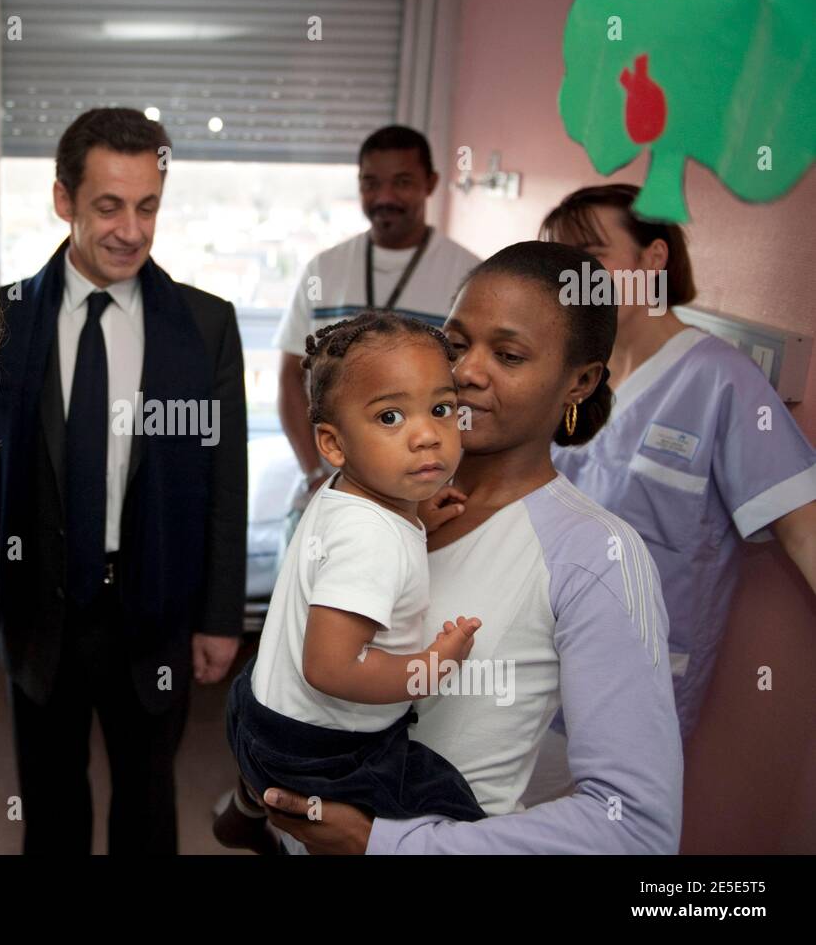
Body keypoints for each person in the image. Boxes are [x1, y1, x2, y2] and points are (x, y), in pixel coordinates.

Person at [259, 242, 683, 854]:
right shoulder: (369, 491)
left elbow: (638, 829)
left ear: (580, 381)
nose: (466, 373)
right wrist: (267, 783)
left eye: (508, 355)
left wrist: (384, 844)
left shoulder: (596, 556)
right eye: (455, 345)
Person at [0, 108, 247, 854]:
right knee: (50, 802)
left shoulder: (204, 326)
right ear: (64, 199)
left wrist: (220, 613)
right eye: (109, 205)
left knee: (148, 800)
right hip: (41, 610)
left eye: (148, 207)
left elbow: (223, 485)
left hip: (154, 612)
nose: (132, 230)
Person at [540, 184, 816, 741]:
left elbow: (804, 529)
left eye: (591, 257)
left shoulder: (720, 380)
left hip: (632, 695)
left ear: (653, 258)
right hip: (533, 667)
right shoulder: (568, 373)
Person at [215, 312, 486, 855]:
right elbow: (331, 667)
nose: (427, 434)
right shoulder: (372, 540)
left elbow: (355, 542)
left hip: (256, 707)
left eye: (441, 408)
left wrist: (416, 518)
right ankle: (273, 806)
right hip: (317, 749)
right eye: (390, 416)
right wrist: (428, 668)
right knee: (452, 808)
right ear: (334, 445)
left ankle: (247, 803)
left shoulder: (346, 491)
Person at [274, 125, 480, 514]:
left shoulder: (469, 276)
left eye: (402, 182)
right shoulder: (324, 269)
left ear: (430, 183)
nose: (384, 197)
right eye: (371, 183)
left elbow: (471, 388)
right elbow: (289, 377)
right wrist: (313, 474)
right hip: (331, 488)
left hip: (426, 495)